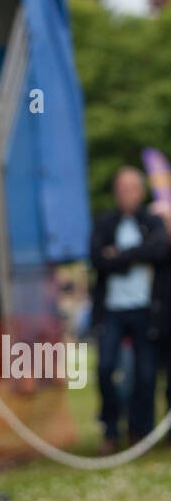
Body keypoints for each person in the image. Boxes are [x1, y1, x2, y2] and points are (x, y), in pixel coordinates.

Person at [90, 166, 169, 451]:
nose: (126, 194)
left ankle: (141, 430)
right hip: (112, 309)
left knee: (146, 374)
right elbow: (98, 259)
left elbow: (159, 251)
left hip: (146, 309)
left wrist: (120, 255)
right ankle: (110, 429)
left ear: (141, 191)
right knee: (105, 367)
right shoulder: (105, 222)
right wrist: (137, 255)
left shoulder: (151, 221)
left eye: (131, 188)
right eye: (121, 189)